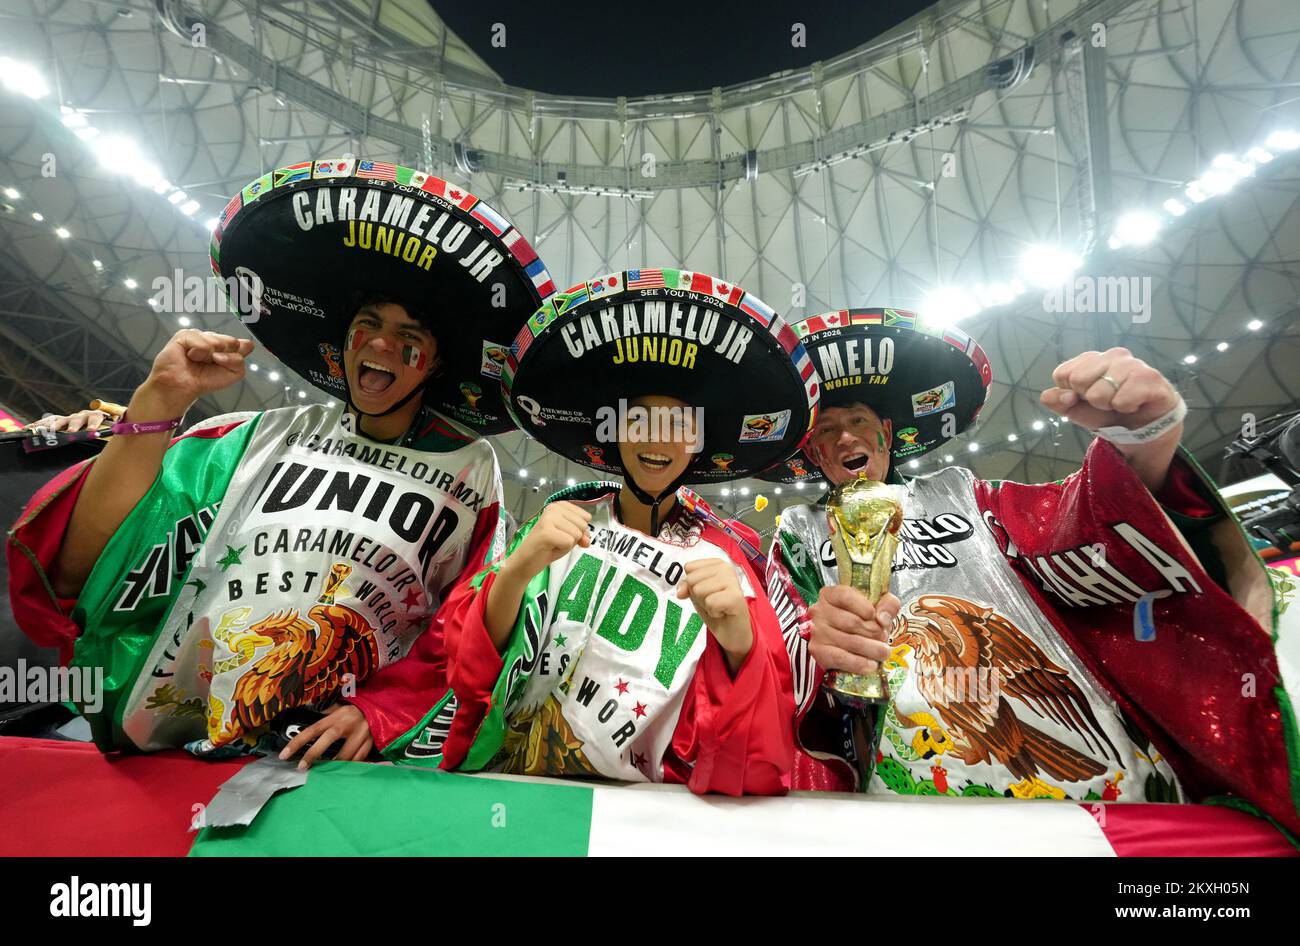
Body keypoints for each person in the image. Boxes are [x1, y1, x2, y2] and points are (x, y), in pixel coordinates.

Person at [6, 158, 557, 764]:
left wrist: (381, 710)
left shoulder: (468, 470)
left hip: (330, 762)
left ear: (433, 364)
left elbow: (461, 627)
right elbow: (83, 565)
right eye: (366, 324)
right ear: (340, 344)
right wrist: (159, 398)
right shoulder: (245, 438)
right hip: (167, 747)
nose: (378, 343)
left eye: (409, 336)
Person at [764, 308, 1299, 835]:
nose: (843, 440)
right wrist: (818, 645)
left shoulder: (964, 494)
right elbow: (780, 647)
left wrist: (1141, 444)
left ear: (886, 431)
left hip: (1091, 774)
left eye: (856, 422)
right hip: (913, 787)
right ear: (812, 453)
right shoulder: (798, 527)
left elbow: (1075, 529)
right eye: (825, 432)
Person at [395, 270, 819, 794]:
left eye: (678, 425)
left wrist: (738, 641)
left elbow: (760, 745)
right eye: (638, 421)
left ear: (698, 445)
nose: (656, 438)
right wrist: (518, 568)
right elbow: (464, 667)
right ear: (614, 436)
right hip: (515, 788)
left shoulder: (731, 557)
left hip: (646, 811)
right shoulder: (555, 522)